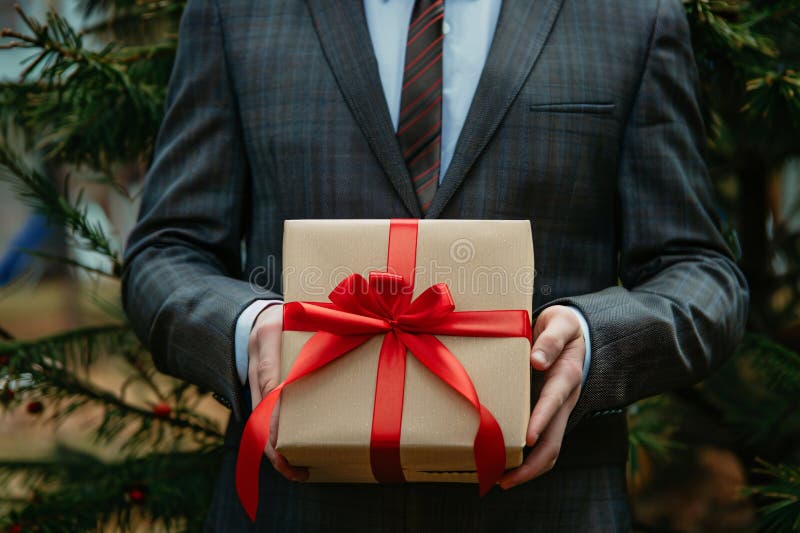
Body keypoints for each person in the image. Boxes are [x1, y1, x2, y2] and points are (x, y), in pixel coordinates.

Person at [121, 0, 749, 531]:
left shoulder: (632, 14)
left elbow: (701, 272)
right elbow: (164, 251)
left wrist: (594, 340)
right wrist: (248, 329)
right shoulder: (236, 12)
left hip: (548, 507)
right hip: (297, 506)